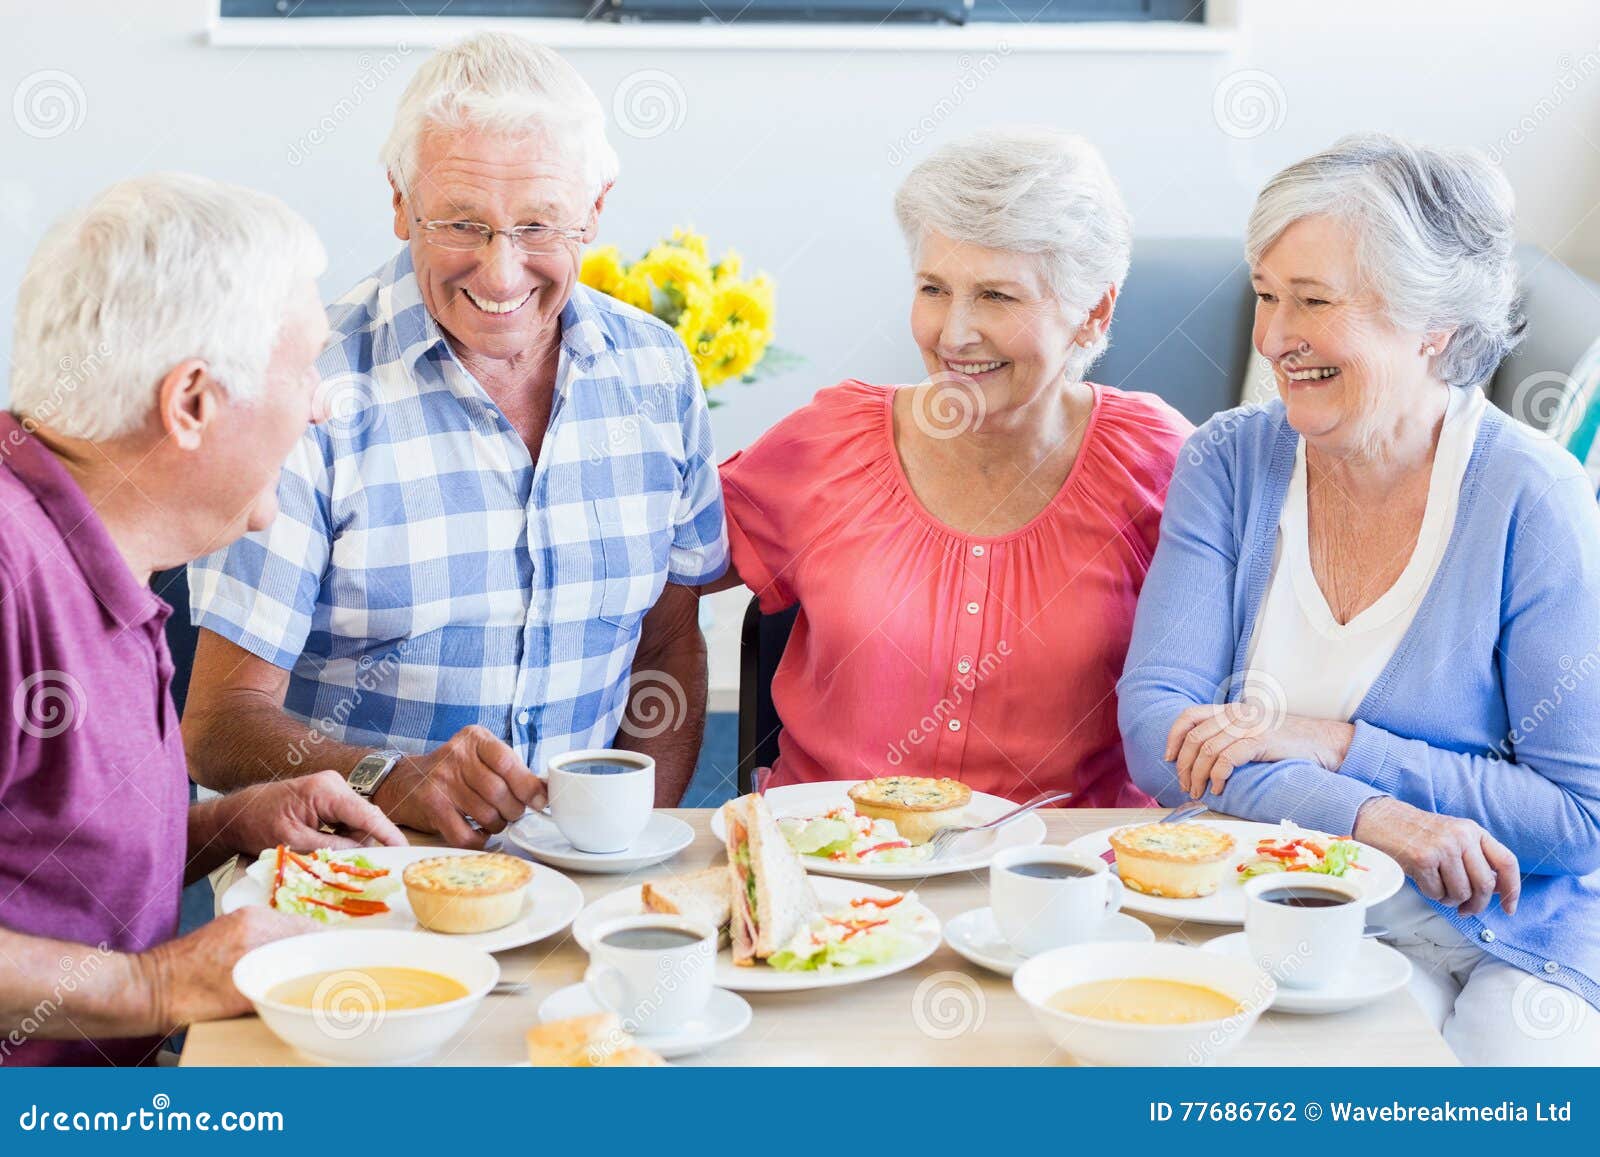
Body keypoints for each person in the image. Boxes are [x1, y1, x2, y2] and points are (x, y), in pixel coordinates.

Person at [1118, 133, 1600, 1064]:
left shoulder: (1530, 497)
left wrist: (1329, 741)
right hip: (1302, 900)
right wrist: (1373, 816)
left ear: (1435, 325)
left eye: (1312, 301)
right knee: (1338, 1077)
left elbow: (1578, 820)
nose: (1272, 338)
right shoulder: (1230, 460)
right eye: (1266, 294)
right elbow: (1159, 736)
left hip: (1521, 924)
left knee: (1518, 1080)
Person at [182, 33, 729, 847]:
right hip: (363, 877)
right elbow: (219, 726)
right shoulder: (305, 387)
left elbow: (669, 639)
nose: (502, 275)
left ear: (595, 209)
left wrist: (632, 845)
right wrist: (391, 780)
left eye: (539, 224)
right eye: (463, 224)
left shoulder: (657, 372)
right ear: (401, 202)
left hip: (579, 878)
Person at [0, 173, 406, 1067]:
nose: (322, 405)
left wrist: (232, 823)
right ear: (190, 403)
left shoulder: (107, 552)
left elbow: (39, 864)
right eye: (304, 371)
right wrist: (159, 986)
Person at [703, 128, 1190, 804]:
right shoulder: (830, 443)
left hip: (1060, 881)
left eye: (996, 296)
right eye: (934, 288)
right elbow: (657, 567)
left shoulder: (1160, 460)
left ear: (1094, 310)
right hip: (833, 867)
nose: (954, 333)